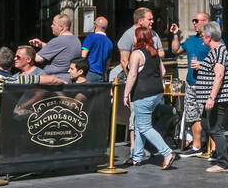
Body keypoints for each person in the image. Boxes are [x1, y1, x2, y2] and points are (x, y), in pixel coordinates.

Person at [122, 27, 177, 170]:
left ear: (138, 38)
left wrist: (125, 94)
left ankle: (167, 152)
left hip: (142, 93)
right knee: (141, 124)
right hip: (157, 92)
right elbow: (163, 71)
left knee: (145, 127)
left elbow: (132, 75)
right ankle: (137, 157)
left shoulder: (136, 54)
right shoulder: (154, 53)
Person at [195, 22, 228, 173]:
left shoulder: (219, 51)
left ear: (209, 37)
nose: (201, 39)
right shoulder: (214, 51)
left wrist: (211, 97)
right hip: (212, 98)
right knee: (206, 124)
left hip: (218, 98)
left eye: (202, 36)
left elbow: (219, 75)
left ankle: (223, 163)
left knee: (215, 128)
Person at [178, 12, 212, 157]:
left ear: (206, 22)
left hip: (205, 83)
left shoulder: (214, 39)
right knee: (193, 115)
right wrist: (175, 35)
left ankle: (214, 148)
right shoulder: (191, 40)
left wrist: (202, 64)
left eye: (196, 20)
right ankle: (196, 145)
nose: (194, 23)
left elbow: (220, 61)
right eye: (193, 20)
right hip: (191, 82)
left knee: (208, 116)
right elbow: (175, 50)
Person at [28, 13, 81, 82]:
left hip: (54, 81)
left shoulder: (58, 40)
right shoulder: (76, 40)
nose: (51, 26)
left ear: (61, 27)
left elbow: (38, 59)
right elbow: (61, 49)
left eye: (54, 24)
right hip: (68, 79)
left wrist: (27, 51)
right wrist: (42, 45)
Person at [80, 16, 114, 82]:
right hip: (101, 75)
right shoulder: (109, 42)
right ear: (106, 28)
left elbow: (83, 56)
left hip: (88, 73)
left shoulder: (90, 37)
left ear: (95, 25)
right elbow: (107, 63)